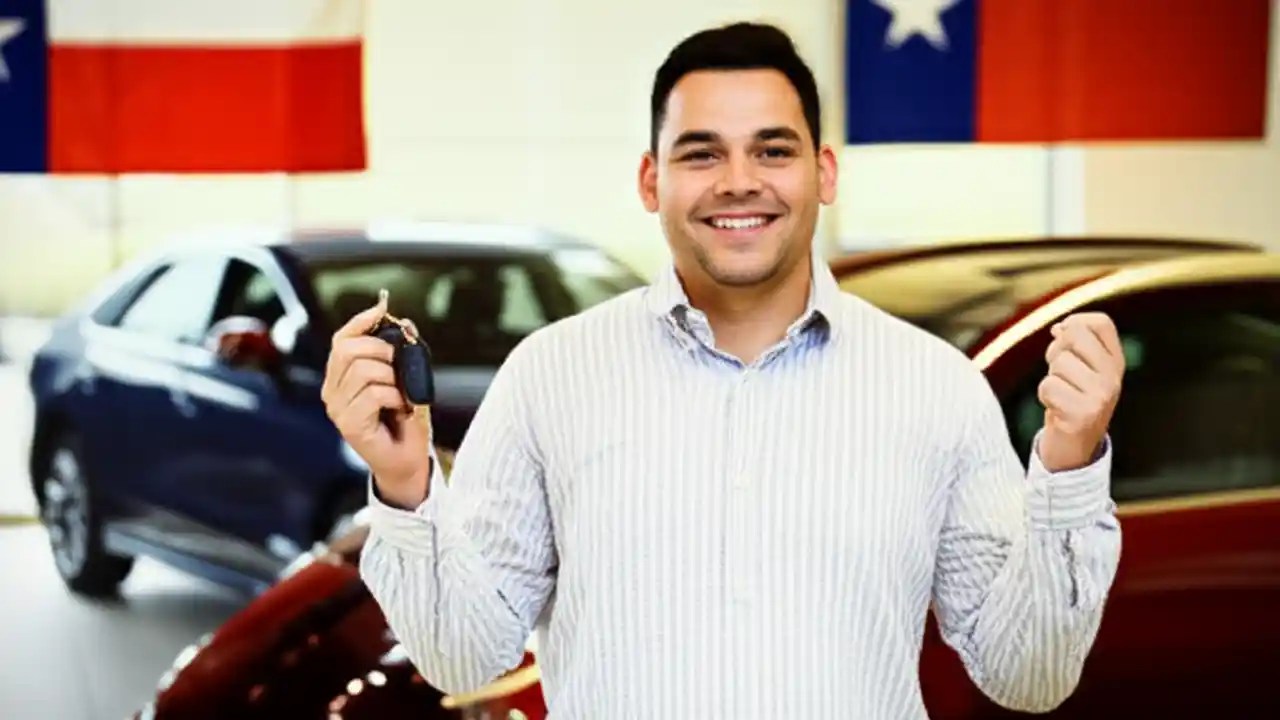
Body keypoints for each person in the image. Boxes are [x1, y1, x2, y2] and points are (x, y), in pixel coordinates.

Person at [323, 21, 1124, 719]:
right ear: (651, 180)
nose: (739, 180)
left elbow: (1030, 676)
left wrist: (1069, 468)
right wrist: (405, 485)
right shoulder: (550, 378)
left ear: (825, 172)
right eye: (702, 153)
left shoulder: (937, 388)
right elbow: (464, 658)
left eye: (772, 150)